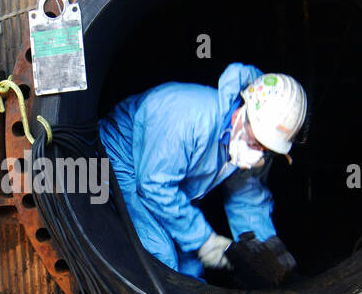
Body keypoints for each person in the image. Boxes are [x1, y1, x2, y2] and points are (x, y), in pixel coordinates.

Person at [98, 62, 306, 282]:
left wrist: (267, 250)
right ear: (241, 113)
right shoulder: (190, 117)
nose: (259, 153)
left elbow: (247, 197)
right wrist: (205, 241)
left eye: (267, 148)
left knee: (191, 267)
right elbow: (154, 186)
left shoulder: (244, 143)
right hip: (122, 159)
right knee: (162, 258)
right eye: (257, 142)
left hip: (173, 182)